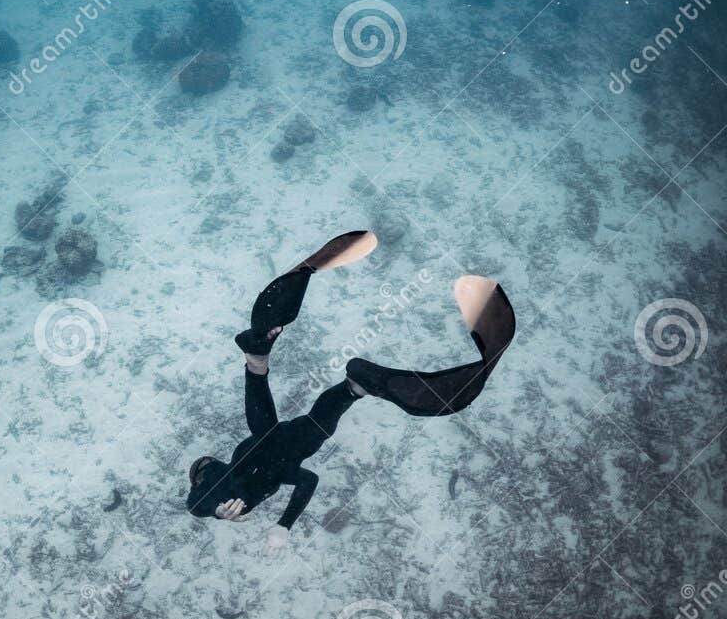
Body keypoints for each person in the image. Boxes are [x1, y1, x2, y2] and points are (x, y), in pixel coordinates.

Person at [186, 231, 515, 559]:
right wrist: (283, 525)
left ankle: (262, 363)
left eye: (202, 473)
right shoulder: (249, 484)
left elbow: (197, 504)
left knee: (267, 435)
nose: (205, 474)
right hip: (294, 446)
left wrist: (219, 510)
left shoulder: (214, 487)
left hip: (263, 448)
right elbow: (308, 481)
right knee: (317, 422)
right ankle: (357, 383)